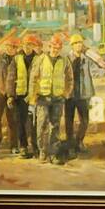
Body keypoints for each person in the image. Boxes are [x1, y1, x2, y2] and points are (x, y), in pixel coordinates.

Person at [29, 33, 72, 163]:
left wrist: (66, 93)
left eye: (58, 48)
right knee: (41, 125)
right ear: (49, 46)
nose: (55, 50)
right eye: (53, 47)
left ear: (60, 49)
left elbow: (70, 79)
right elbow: (33, 78)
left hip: (58, 99)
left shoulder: (64, 60)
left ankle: (53, 153)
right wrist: (33, 96)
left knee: (55, 126)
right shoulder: (40, 59)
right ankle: (43, 151)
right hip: (43, 98)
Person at [64, 34, 100, 157]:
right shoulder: (66, 59)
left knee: (84, 120)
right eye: (76, 43)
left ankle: (79, 141)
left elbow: (95, 72)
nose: (79, 45)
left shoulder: (87, 59)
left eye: (80, 43)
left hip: (83, 94)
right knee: (69, 121)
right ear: (72, 46)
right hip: (70, 94)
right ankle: (70, 146)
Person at [0, 35, 20, 155]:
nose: (10, 49)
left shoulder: (19, 59)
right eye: (8, 46)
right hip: (0, 92)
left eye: (13, 47)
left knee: (12, 120)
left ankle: (14, 145)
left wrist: (13, 95)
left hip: (13, 94)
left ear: (16, 48)